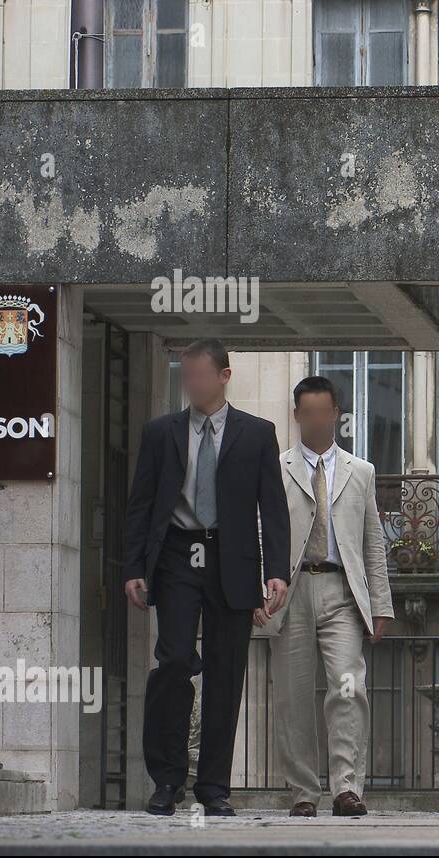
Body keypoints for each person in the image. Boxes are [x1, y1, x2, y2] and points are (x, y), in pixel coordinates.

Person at [123, 337, 290, 817]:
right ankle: (167, 779)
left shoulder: (258, 433)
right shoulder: (161, 433)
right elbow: (141, 504)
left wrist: (275, 571)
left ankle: (214, 786)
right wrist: (134, 566)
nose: (192, 385)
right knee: (174, 661)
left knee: (225, 673)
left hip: (231, 560)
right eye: (185, 376)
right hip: (176, 555)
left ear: (224, 376)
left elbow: (272, 507)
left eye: (200, 375)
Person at [256, 376, 394, 818]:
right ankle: (301, 791)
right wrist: (257, 591)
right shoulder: (276, 468)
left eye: (324, 412)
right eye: (307, 412)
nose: (316, 420)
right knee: (293, 696)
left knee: (347, 687)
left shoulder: (362, 471)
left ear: (337, 413)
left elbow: (373, 541)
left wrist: (381, 604)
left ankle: (346, 788)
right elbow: (262, 534)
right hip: (289, 590)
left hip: (342, 589)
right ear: (296, 415)